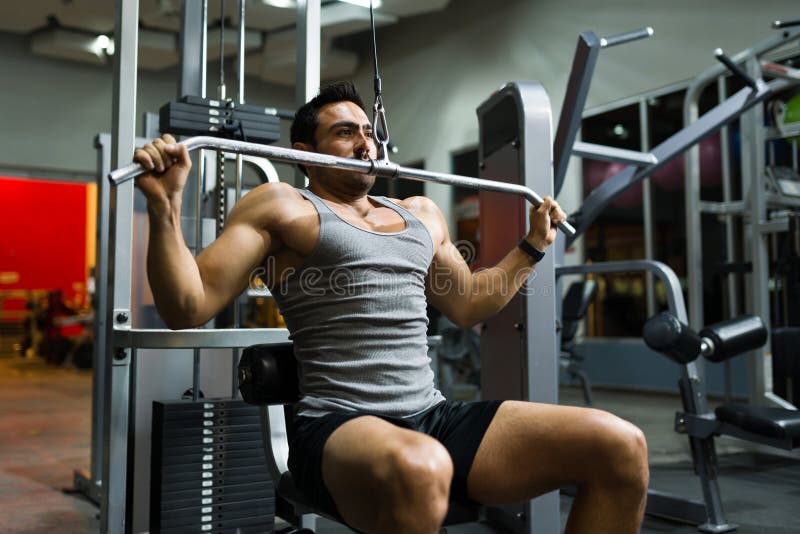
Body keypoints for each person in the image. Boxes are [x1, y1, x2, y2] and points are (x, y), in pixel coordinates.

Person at [134, 81, 648, 534]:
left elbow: (469, 305)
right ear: (305, 153)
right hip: (338, 426)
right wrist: (165, 207)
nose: (366, 143)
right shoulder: (281, 206)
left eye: (368, 131)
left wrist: (532, 246)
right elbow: (189, 304)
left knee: (619, 445)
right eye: (344, 133)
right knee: (421, 467)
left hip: (432, 415)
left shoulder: (420, 212)